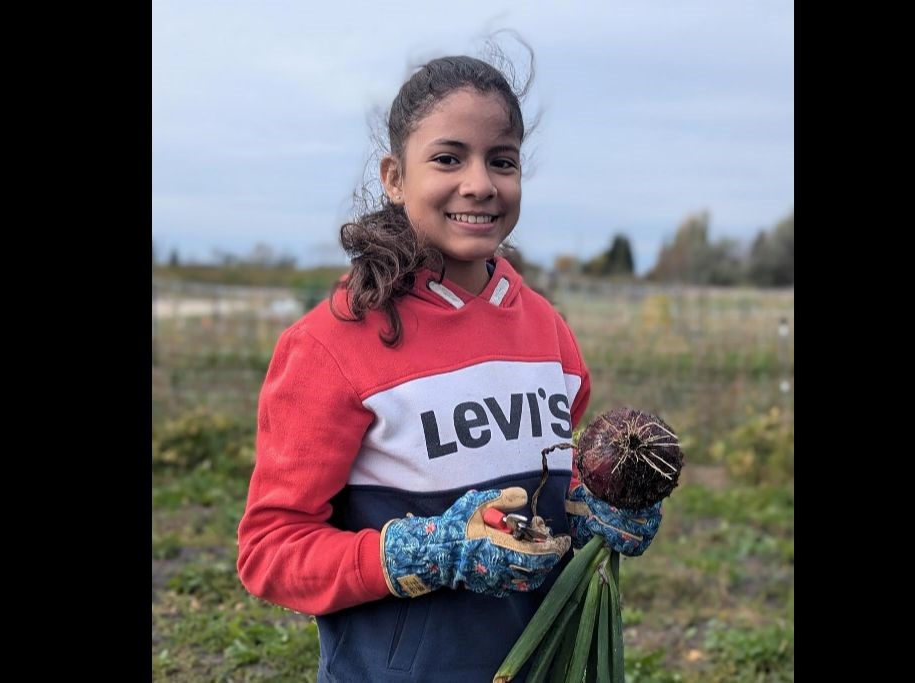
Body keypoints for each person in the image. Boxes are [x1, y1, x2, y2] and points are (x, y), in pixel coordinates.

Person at [237, 48, 663, 682]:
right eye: (447, 158)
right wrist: (427, 553)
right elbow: (271, 552)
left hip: (547, 663)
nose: (480, 183)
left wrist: (600, 507)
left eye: (502, 161)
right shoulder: (332, 342)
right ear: (394, 177)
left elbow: (551, 491)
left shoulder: (547, 329)